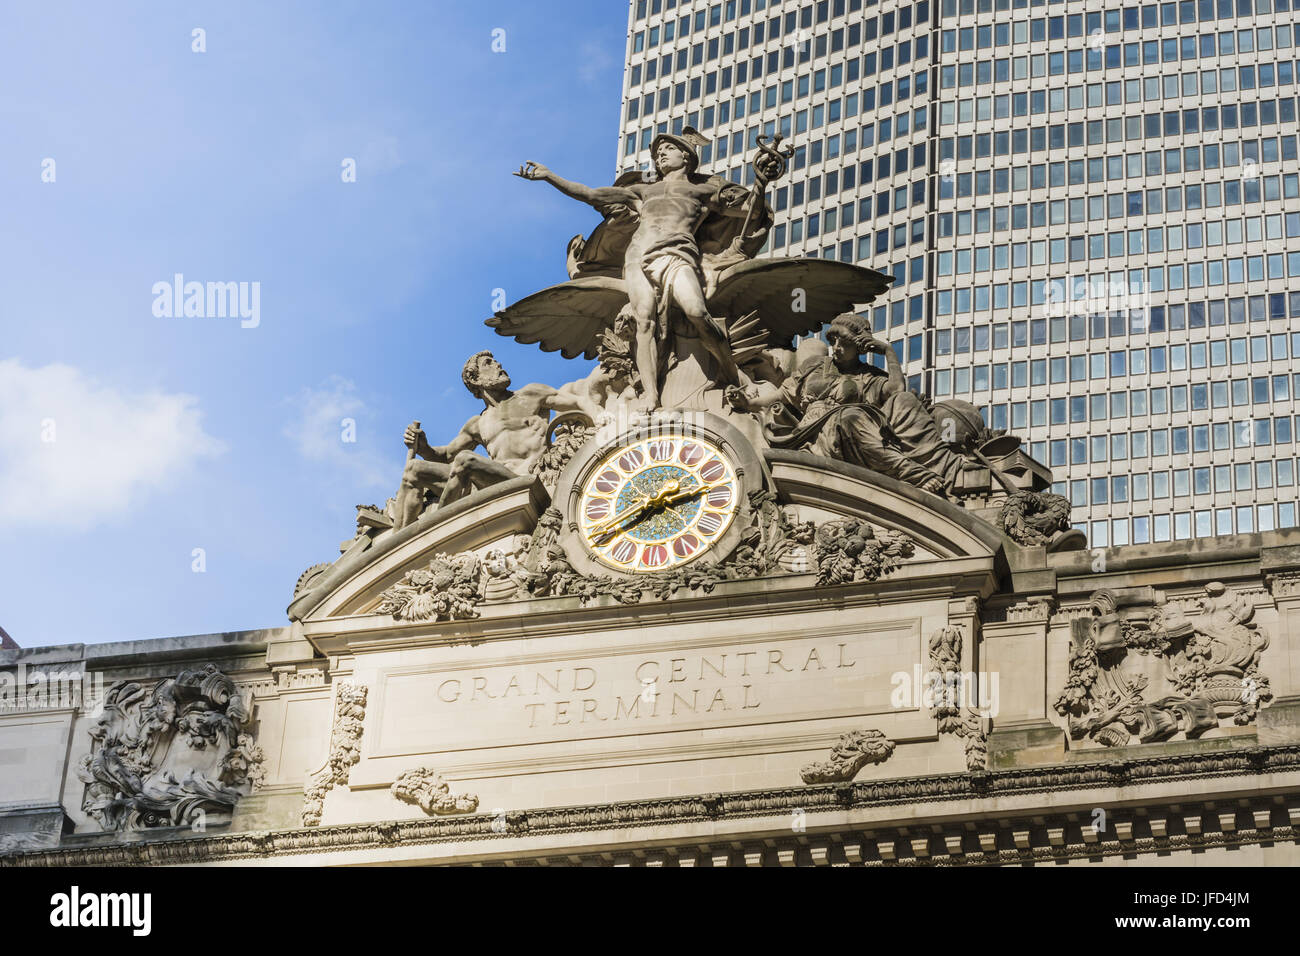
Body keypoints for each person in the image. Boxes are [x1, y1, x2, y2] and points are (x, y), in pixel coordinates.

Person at [515, 130, 755, 408]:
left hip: (677, 255)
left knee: (696, 312)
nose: (660, 154)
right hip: (638, 257)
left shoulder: (704, 191)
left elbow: (751, 211)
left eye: (667, 149)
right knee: (644, 323)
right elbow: (591, 194)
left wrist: (761, 181)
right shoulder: (643, 190)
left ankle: (730, 373)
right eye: (657, 152)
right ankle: (652, 395)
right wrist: (550, 176)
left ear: (686, 156)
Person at [727, 313, 967, 495]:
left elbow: (897, 392)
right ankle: (912, 472)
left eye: (845, 344)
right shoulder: (815, 365)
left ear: (861, 346)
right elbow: (783, 395)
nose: (837, 349)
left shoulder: (869, 376)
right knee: (850, 417)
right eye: (834, 343)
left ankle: (930, 466)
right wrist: (751, 402)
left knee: (891, 405)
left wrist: (889, 352)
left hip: (851, 435)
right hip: (811, 433)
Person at [395, 351, 601, 528]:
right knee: (413, 470)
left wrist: (603, 421)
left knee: (466, 460)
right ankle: (400, 547)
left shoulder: (530, 394)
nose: (498, 364)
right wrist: (423, 446)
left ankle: (438, 528)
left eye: (495, 361)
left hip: (527, 481)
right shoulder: (477, 423)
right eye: (488, 363)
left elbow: (578, 402)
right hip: (493, 485)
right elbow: (445, 455)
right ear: (475, 379)